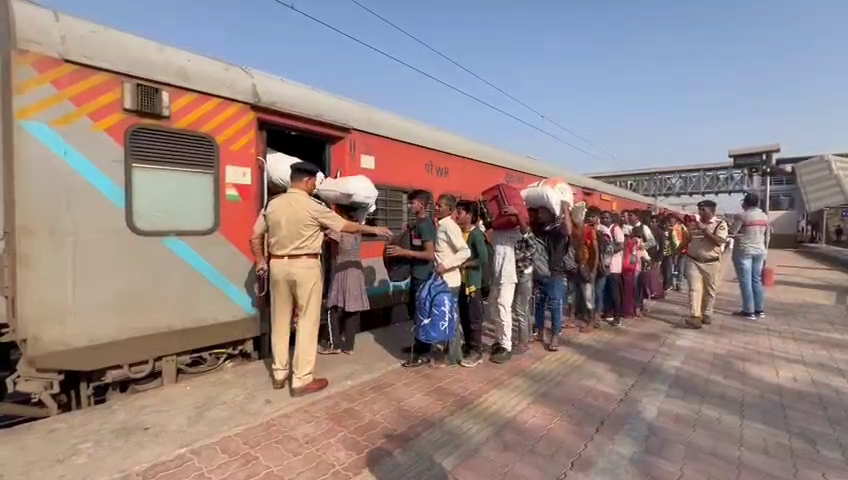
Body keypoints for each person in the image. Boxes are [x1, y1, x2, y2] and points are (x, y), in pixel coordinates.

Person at [249, 162, 391, 395]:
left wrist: (261, 262)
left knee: (280, 320)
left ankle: (279, 373)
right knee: (306, 321)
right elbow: (345, 225)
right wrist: (374, 230)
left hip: (277, 266)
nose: (316, 185)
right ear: (306, 181)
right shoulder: (314, 206)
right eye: (315, 181)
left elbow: (255, 238)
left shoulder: (272, 205)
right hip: (305, 266)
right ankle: (302, 379)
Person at [386, 190, 436, 368]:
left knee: (422, 314)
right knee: (416, 313)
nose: (409, 206)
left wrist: (404, 252)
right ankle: (419, 346)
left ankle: (423, 353)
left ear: (421, 205)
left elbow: (430, 254)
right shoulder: (417, 224)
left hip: (424, 277)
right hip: (416, 276)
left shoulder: (425, 226)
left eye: (412, 203)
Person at [319, 205, 370, 356]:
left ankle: (334, 344)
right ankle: (349, 346)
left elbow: (323, 236)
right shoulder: (358, 230)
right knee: (352, 309)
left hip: (342, 271)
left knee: (332, 308)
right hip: (356, 271)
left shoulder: (338, 231)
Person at [488, 206, 532, 364]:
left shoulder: (516, 232)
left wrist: (517, 214)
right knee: (494, 308)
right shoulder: (497, 232)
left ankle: (506, 345)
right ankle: (499, 341)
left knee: (504, 308)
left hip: (508, 276)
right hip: (496, 276)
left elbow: (526, 232)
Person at [530, 200, 572, 351]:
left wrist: (565, 209)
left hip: (555, 273)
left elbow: (568, 229)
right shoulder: (539, 229)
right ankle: (540, 332)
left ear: (551, 212)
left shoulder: (557, 229)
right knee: (539, 305)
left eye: (542, 211)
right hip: (540, 272)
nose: (539, 214)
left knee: (554, 304)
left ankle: (555, 334)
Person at [683, 200, 728, 329]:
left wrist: (705, 230)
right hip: (693, 260)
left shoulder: (720, 224)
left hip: (711, 262)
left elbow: (719, 241)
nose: (700, 213)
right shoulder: (694, 224)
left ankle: (706, 313)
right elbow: (687, 239)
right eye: (699, 210)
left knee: (710, 289)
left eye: (704, 210)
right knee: (694, 289)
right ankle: (695, 317)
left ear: (712, 211)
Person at [455, 201, 489, 367]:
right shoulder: (459, 232)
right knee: (464, 316)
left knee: (474, 318)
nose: (457, 215)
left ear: (469, 215)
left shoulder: (476, 234)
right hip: (461, 282)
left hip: (472, 284)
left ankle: (476, 350)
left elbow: (483, 258)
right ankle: (468, 345)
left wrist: (465, 264)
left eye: (459, 212)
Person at [730, 192, 769, 320]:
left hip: (744, 250)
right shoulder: (764, 216)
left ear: (745, 203)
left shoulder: (742, 216)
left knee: (745, 281)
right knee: (756, 280)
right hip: (760, 250)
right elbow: (767, 234)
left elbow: (732, 232)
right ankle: (760, 309)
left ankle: (749, 311)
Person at [598, 210, 624, 327]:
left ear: (611, 219)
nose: (604, 220)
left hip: (614, 266)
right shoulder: (600, 229)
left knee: (614, 292)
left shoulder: (616, 230)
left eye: (606, 218)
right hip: (604, 265)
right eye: (602, 218)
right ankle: (607, 312)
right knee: (606, 291)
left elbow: (621, 246)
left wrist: (608, 249)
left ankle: (617, 316)